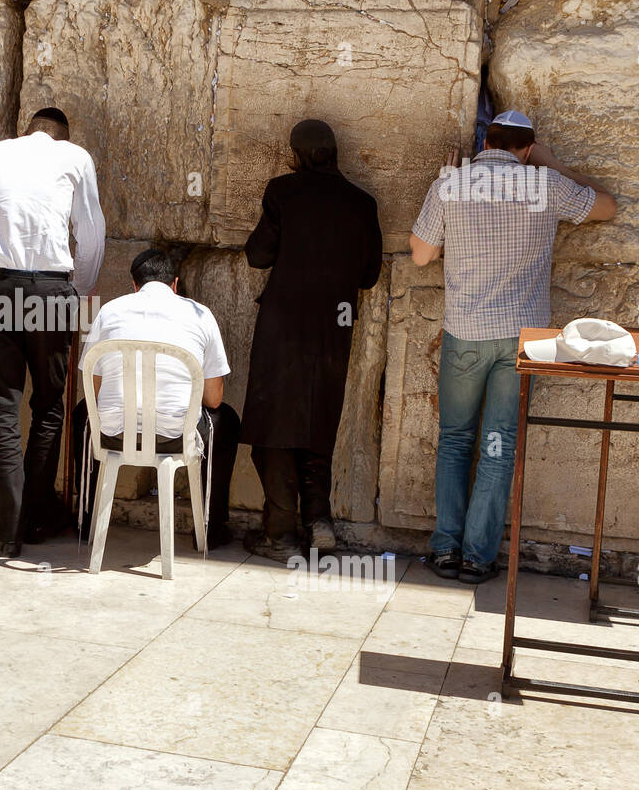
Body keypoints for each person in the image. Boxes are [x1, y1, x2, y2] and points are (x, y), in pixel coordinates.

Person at [410, 108, 617, 584]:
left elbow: (422, 255)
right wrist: (553, 164)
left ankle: (445, 549)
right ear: (525, 148)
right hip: (524, 339)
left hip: (466, 331)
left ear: (486, 143)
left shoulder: (451, 183)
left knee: (456, 438)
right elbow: (608, 206)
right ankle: (479, 558)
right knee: (498, 446)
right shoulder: (545, 184)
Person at [0, 106, 105, 556]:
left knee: (2, 406)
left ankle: (7, 531)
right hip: (49, 289)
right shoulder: (74, 157)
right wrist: (73, 291)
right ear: (61, 136)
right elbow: (91, 233)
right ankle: (36, 518)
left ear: (27, 131)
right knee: (49, 405)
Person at [241, 119, 383, 561]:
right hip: (334, 328)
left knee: (274, 426)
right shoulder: (362, 203)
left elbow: (257, 255)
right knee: (318, 421)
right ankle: (319, 521)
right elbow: (369, 274)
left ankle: (280, 533)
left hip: (284, 326)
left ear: (297, 154)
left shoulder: (283, 191)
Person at [74, 248, 239, 548]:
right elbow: (214, 399)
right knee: (225, 420)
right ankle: (210, 528)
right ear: (175, 284)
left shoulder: (109, 311)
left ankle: (86, 521)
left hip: (113, 432)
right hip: (175, 435)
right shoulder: (200, 315)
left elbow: (93, 390)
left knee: (82, 414)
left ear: (134, 285)